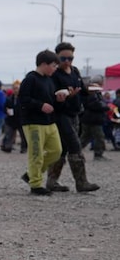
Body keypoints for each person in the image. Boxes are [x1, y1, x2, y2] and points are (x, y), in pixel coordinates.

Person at [46, 42, 99, 192]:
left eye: (70, 58)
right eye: (63, 58)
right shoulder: (54, 74)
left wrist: (88, 90)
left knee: (61, 149)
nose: (67, 61)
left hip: (75, 113)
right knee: (75, 147)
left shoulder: (74, 71)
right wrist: (65, 97)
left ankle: (51, 181)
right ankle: (81, 182)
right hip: (61, 115)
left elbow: (81, 89)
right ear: (57, 58)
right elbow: (51, 96)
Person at [17, 50, 62, 195]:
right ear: (43, 64)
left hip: (49, 121)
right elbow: (23, 99)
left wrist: (59, 99)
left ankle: (31, 175)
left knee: (56, 151)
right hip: (33, 123)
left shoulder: (49, 80)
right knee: (36, 154)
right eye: (53, 65)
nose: (55, 69)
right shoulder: (30, 79)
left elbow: (50, 99)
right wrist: (40, 105)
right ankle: (35, 184)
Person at [79, 85, 108, 161]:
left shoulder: (92, 95)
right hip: (93, 120)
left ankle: (75, 150)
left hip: (90, 119)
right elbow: (97, 105)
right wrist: (106, 107)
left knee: (85, 137)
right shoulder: (92, 96)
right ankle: (98, 154)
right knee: (99, 137)